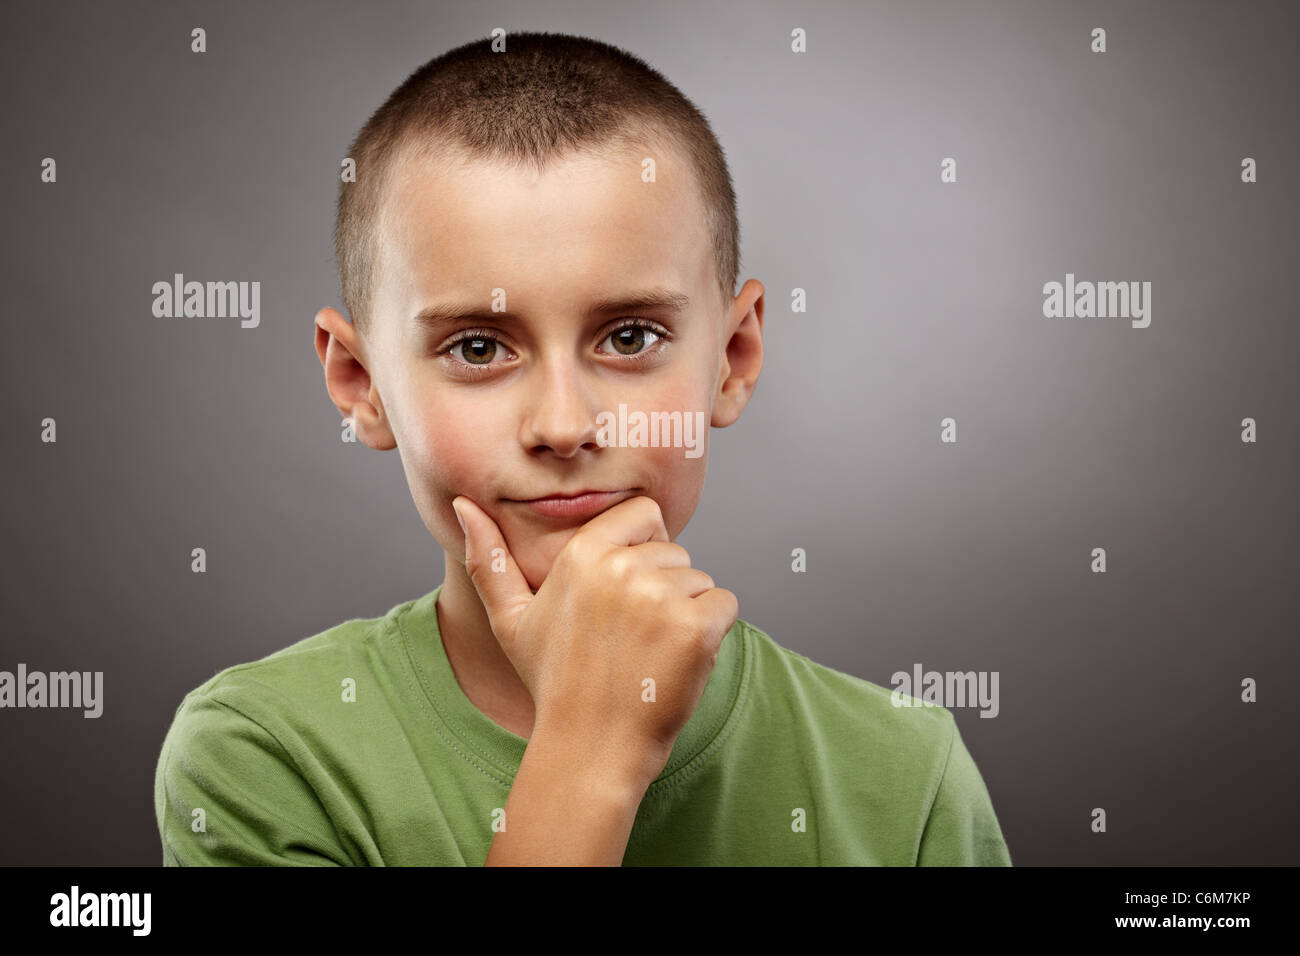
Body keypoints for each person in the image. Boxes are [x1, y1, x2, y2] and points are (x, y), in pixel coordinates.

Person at [154, 30, 1012, 866]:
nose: (564, 426)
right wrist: (590, 755)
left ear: (733, 358)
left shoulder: (905, 773)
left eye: (631, 337)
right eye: (479, 348)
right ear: (359, 384)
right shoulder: (261, 757)